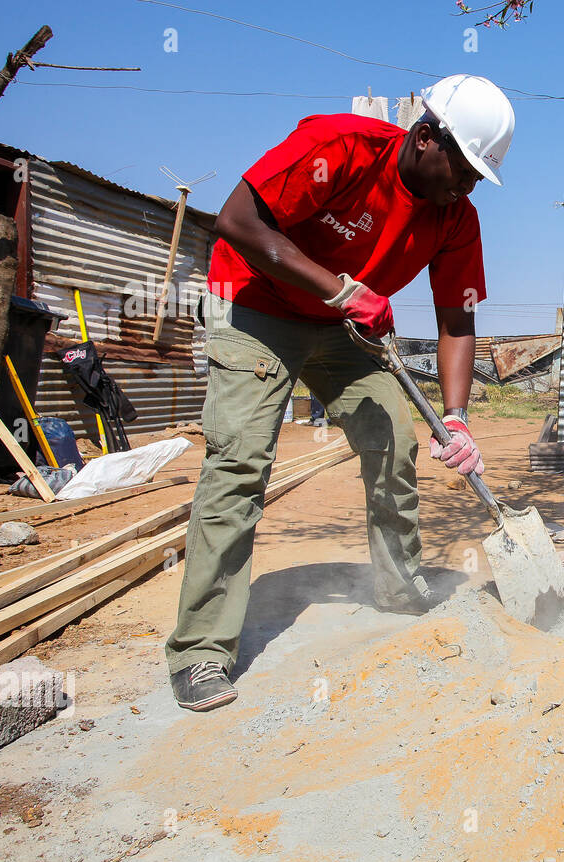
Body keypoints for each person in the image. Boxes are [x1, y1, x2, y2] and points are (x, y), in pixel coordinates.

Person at [166, 74, 515, 713]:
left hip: (339, 325)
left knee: (395, 437)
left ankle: (398, 586)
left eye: (475, 179)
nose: (464, 188)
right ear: (425, 135)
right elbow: (236, 221)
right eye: (460, 169)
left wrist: (459, 418)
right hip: (254, 303)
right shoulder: (340, 147)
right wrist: (345, 289)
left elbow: (456, 318)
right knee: (241, 461)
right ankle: (200, 652)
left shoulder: (456, 218)